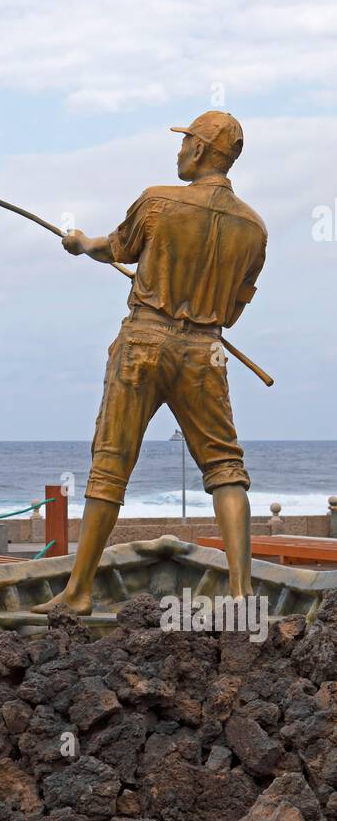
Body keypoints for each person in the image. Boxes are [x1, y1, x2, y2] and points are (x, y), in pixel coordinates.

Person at [32, 111, 267, 616]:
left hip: (144, 341)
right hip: (206, 350)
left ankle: (77, 592)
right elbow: (232, 312)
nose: (179, 152)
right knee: (226, 468)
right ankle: (243, 594)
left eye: (185, 144)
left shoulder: (159, 200)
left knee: (110, 464)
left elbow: (113, 248)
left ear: (202, 151)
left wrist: (79, 244)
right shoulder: (254, 228)